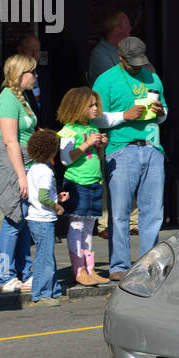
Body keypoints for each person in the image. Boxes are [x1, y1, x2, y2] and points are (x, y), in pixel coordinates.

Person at [92, 37, 166, 279]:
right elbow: (95, 118)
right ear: (120, 58)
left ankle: (147, 264)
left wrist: (162, 112)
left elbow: (164, 112)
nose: (137, 67)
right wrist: (125, 115)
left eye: (140, 62)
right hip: (121, 148)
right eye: (132, 63)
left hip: (152, 147)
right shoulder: (106, 80)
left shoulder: (152, 77)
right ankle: (119, 266)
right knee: (120, 212)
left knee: (153, 211)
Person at [0, 54, 38, 293]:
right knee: (13, 220)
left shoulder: (22, 98)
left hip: (26, 164)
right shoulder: (8, 99)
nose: (36, 76)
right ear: (20, 74)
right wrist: (21, 175)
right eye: (32, 72)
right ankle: (4, 275)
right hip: (12, 166)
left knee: (23, 222)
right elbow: (10, 141)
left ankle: (25, 272)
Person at [56, 87, 110, 286]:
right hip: (77, 183)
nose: (95, 108)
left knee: (89, 227)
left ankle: (90, 268)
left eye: (96, 104)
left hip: (94, 182)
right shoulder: (69, 130)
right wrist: (88, 143)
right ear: (78, 107)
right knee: (76, 226)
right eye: (91, 105)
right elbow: (65, 159)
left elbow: (98, 158)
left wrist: (100, 147)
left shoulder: (92, 128)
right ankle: (78, 269)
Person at [25, 129, 67, 306]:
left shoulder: (34, 168)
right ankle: (41, 294)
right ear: (51, 150)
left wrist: (57, 197)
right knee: (44, 257)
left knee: (46, 255)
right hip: (43, 218)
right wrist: (57, 206)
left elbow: (39, 194)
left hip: (36, 217)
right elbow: (43, 197)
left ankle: (53, 290)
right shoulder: (46, 171)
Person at [89, 10, 132, 84]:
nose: (130, 29)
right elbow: (117, 84)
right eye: (127, 27)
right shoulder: (99, 54)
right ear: (116, 30)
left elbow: (151, 72)